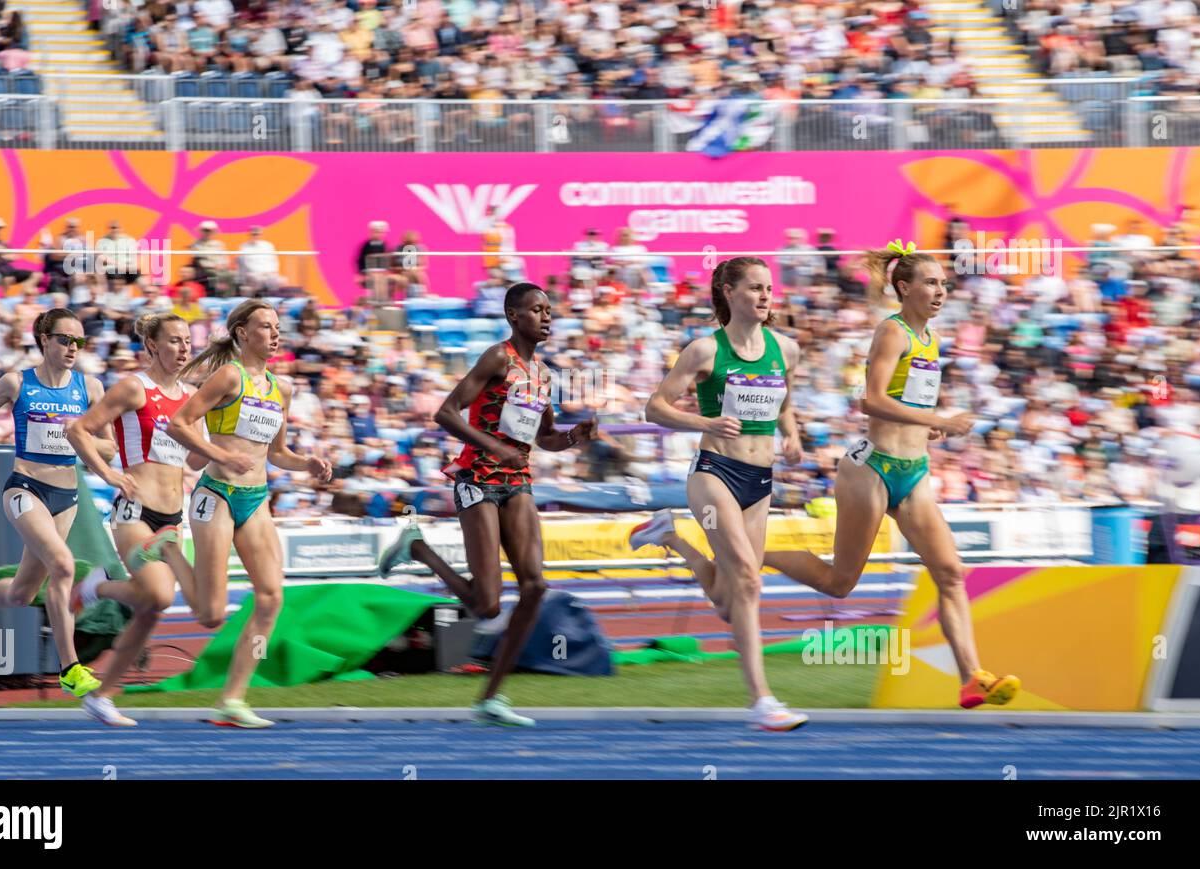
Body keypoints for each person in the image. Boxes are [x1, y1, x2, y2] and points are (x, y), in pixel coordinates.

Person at [648, 241, 1020, 710]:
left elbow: (785, 395)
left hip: (913, 469)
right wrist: (940, 421)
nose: (941, 291)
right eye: (931, 282)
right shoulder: (893, 332)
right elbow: (871, 401)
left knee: (948, 572)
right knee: (828, 583)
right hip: (868, 469)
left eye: (944, 284)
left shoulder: (921, 341)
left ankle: (971, 678)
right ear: (903, 287)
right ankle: (758, 586)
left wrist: (791, 433)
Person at [376, 282, 596, 726]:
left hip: (518, 482)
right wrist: (494, 449)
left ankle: (491, 698)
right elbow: (446, 412)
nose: (547, 317)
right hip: (477, 479)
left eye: (549, 310)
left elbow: (544, 438)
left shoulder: (545, 375)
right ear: (514, 316)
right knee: (488, 606)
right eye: (537, 310)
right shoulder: (498, 358)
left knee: (535, 587)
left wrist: (574, 436)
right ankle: (417, 549)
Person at [637, 256, 808, 732]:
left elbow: (785, 400)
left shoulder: (787, 349)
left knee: (727, 599)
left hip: (761, 480)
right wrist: (704, 422)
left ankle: (670, 536)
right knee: (750, 583)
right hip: (714, 473)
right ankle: (763, 701)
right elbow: (655, 407)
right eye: (754, 287)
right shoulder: (704, 351)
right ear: (729, 293)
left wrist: (792, 435)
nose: (766, 295)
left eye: (768, 287)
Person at [165, 299, 333, 728]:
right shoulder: (228, 376)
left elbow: (277, 453)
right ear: (242, 333)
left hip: (255, 497)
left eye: (277, 327)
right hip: (216, 494)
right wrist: (220, 454)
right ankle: (166, 550)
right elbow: (179, 425)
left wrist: (307, 464)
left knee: (271, 598)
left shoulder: (283, 388)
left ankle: (233, 700)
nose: (275, 335)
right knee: (211, 614)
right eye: (265, 327)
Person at [0, 309, 118, 699]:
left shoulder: (89, 388)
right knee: (64, 564)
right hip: (24, 489)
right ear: (43, 339)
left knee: (23, 593)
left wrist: (79, 437)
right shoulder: (16, 383)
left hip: (67, 496)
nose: (73, 347)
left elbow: (107, 444)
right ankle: (70, 668)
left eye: (79, 341)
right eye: (64, 339)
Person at [65, 313, 207, 726]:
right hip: (135, 511)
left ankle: (103, 696)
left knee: (150, 608)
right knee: (159, 596)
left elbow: (194, 459)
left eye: (187, 341)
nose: (183, 349)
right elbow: (78, 430)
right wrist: (107, 473)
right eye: (175, 341)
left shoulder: (192, 397)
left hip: (172, 516)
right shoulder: (134, 388)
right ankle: (98, 587)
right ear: (151, 346)